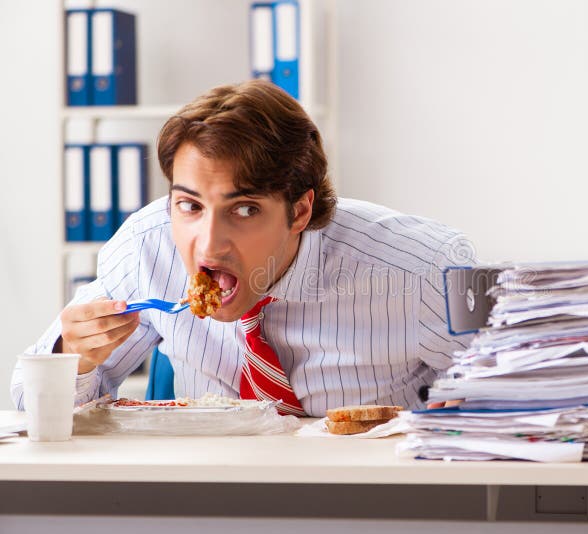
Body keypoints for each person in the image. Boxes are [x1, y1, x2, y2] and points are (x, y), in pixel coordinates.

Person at [11, 80, 475, 416]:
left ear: (298, 211)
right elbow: (27, 401)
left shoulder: (430, 270)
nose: (208, 244)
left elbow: (531, 397)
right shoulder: (146, 246)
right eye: (190, 205)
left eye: (245, 210)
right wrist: (72, 356)